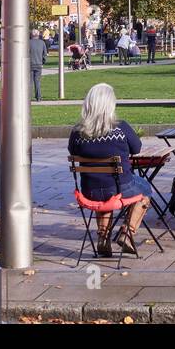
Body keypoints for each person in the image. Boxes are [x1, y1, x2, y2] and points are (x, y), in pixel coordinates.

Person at [67, 84, 152, 256]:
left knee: (104, 193)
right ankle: (127, 233)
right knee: (145, 189)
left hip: (90, 190)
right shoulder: (120, 128)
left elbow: (72, 151)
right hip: (119, 187)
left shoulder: (78, 132)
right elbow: (137, 148)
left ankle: (103, 237)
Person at [26, 29, 47, 100]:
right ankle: (38, 97)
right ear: (38, 35)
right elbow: (44, 54)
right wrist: (43, 62)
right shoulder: (42, 43)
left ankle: (29, 97)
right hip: (38, 64)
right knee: (37, 81)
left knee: (30, 81)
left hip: (30, 64)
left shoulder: (28, 43)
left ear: (31, 35)